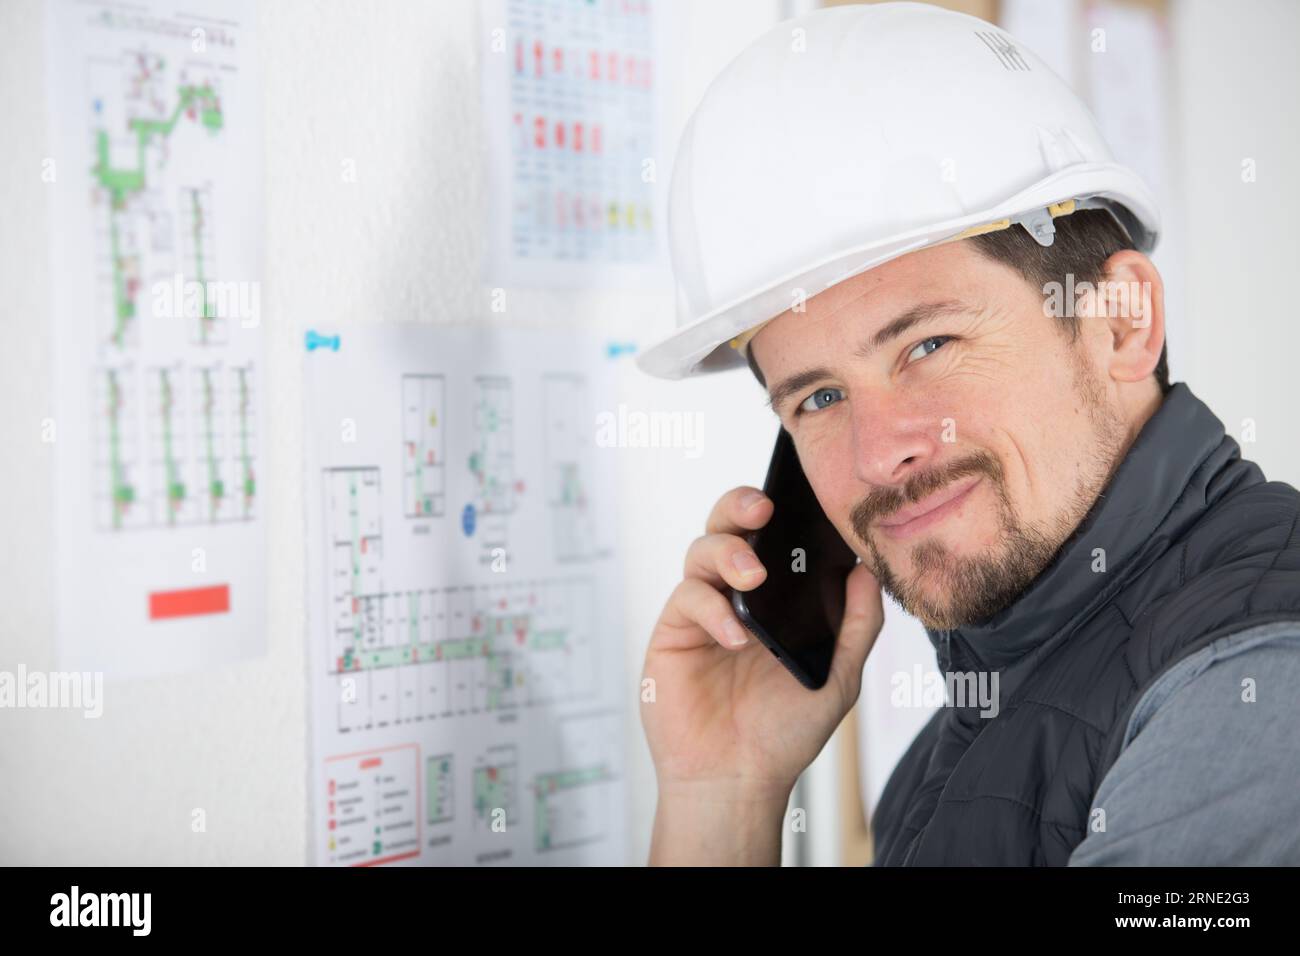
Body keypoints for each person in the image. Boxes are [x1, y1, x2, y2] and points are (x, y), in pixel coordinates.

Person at [636, 3, 1300, 866]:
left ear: (1123, 323)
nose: (881, 455)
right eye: (821, 397)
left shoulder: (1249, 691)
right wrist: (722, 792)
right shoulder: (965, 738)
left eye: (929, 344)